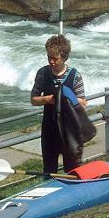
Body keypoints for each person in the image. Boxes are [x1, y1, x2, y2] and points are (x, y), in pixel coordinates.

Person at [30, 34, 87, 174]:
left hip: (70, 132)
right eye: (49, 57)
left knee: (73, 170)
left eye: (55, 58)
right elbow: (33, 99)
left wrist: (65, 98)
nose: (51, 61)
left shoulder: (75, 75)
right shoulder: (43, 73)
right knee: (49, 170)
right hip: (50, 130)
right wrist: (48, 99)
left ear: (64, 57)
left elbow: (83, 103)